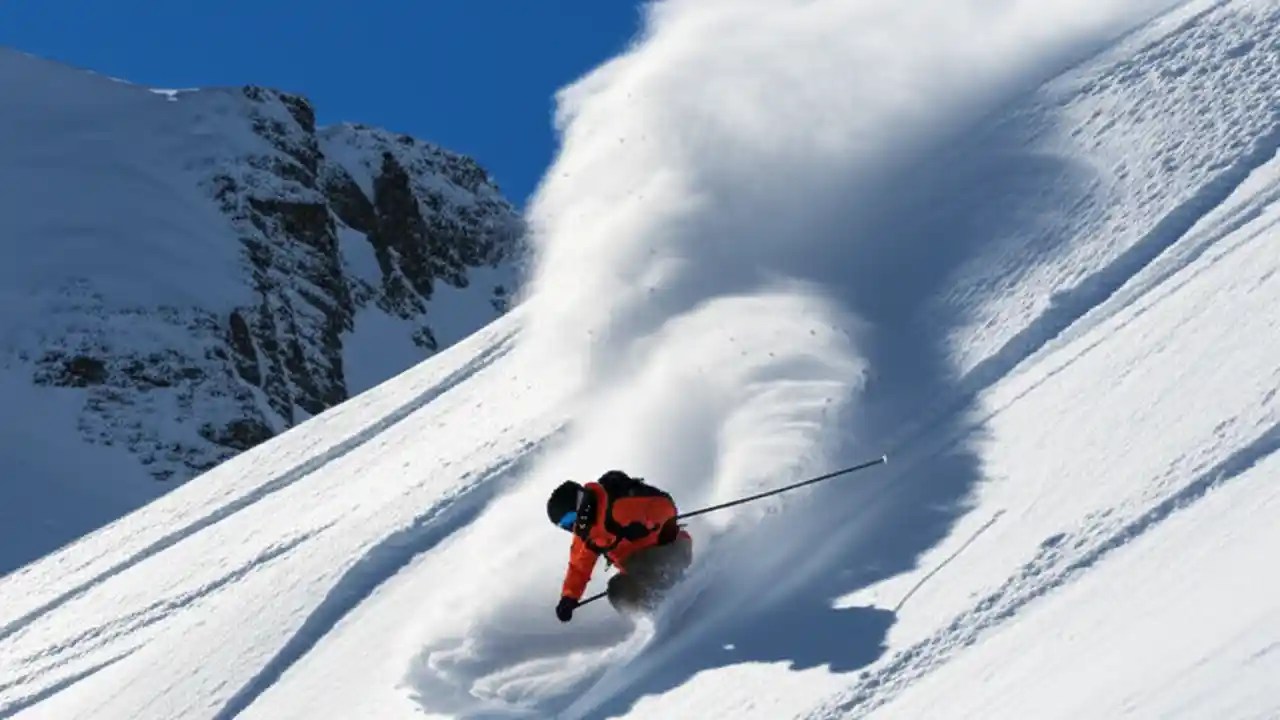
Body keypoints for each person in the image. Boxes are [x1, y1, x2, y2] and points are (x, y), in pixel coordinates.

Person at [547, 470, 693, 622]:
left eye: (571, 518)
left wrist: (648, 524)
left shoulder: (618, 507)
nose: (572, 525)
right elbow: (578, 568)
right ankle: (657, 618)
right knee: (617, 590)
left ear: (580, 503)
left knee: (637, 563)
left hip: (672, 548)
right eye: (565, 524)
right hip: (642, 573)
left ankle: (682, 592)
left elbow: (666, 507)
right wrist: (568, 598)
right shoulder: (586, 536)